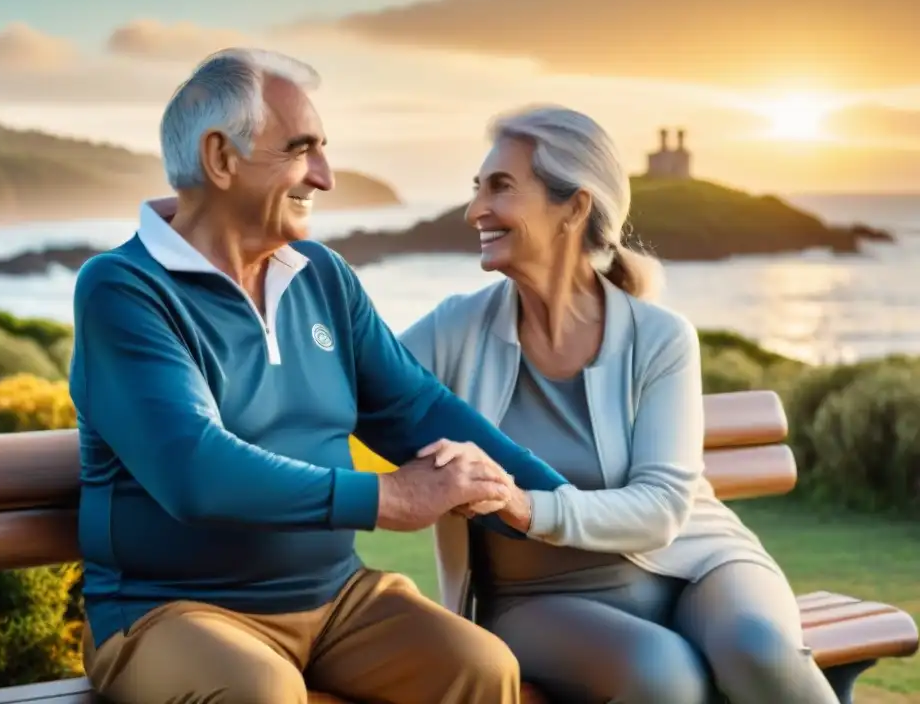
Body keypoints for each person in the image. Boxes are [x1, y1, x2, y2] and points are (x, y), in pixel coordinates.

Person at [69, 49, 569, 704]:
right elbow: (193, 468)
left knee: (478, 664)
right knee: (261, 692)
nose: (326, 177)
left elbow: (415, 408)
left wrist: (561, 504)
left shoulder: (321, 275)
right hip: (169, 612)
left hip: (338, 599)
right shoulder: (123, 289)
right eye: (301, 150)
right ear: (221, 159)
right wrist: (386, 498)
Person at [400, 106, 840, 704]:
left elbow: (661, 508)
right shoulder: (455, 329)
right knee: (665, 677)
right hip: (538, 602)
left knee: (760, 648)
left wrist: (529, 507)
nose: (476, 210)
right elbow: (350, 387)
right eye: (477, 189)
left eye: (500, 187)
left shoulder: (659, 337)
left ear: (574, 208)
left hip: (698, 566)